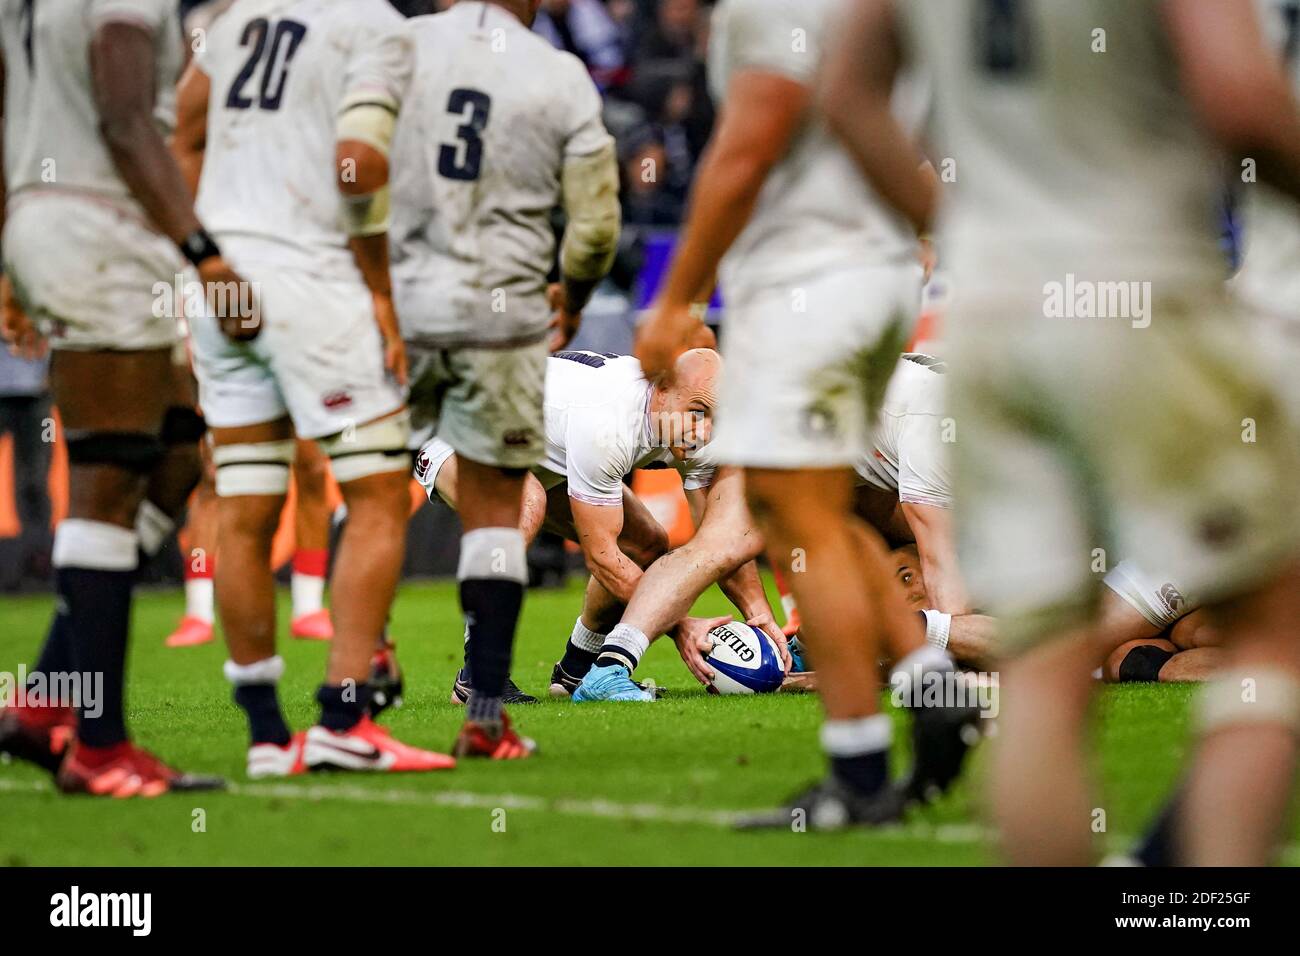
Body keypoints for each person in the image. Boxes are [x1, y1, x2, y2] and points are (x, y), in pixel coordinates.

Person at [822, 0, 1300, 865]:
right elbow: (1242, 102)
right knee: (1272, 635)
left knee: (1041, 663)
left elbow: (846, 92)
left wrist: (965, 232)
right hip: (1144, 290)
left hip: (991, 320)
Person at [636, 0, 964, 830]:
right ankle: (935, 689)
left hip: (812, 282)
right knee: (806, 508)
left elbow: (751, 141)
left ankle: (857, 775)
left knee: (797, 521)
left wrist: (675, 299)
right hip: (872, 273)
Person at [174, 0, 452, 776]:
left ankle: (266, 735)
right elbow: (358, 164)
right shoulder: (374, 26)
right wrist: (380, 289)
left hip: (219, 284)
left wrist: (202, 254)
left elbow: (182, 136)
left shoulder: (233, 20)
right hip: (312, 282)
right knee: (375, 492)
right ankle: (343, 717)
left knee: (246, 504)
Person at [338, 0, 621, 757]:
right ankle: (487, 714)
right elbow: (596, 226)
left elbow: (353, 166)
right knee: (502, 513)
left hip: (400, 303)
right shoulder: (557, 73)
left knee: (372, 499)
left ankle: (350, 696)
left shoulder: (394, 47)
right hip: (504, 310)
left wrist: (375, 285)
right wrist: (573, 296)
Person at [0, 0, 251, 796]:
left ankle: (45, 703)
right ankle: (100, 747)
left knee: (177, 455)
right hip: (99, 229)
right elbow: (123, 116)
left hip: (58, 221)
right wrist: (204, 252)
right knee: (108, 486)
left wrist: (12, 246)